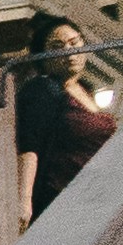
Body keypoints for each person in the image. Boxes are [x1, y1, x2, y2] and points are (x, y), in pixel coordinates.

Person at [13, 21, 111, 219]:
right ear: (44, 58)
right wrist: (23, 202)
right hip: (64, 203)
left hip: (99, 199)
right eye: (57, 47)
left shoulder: (89, 92)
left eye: (74, 42)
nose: (69, 51)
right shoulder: (44, 89)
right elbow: (29, 146)